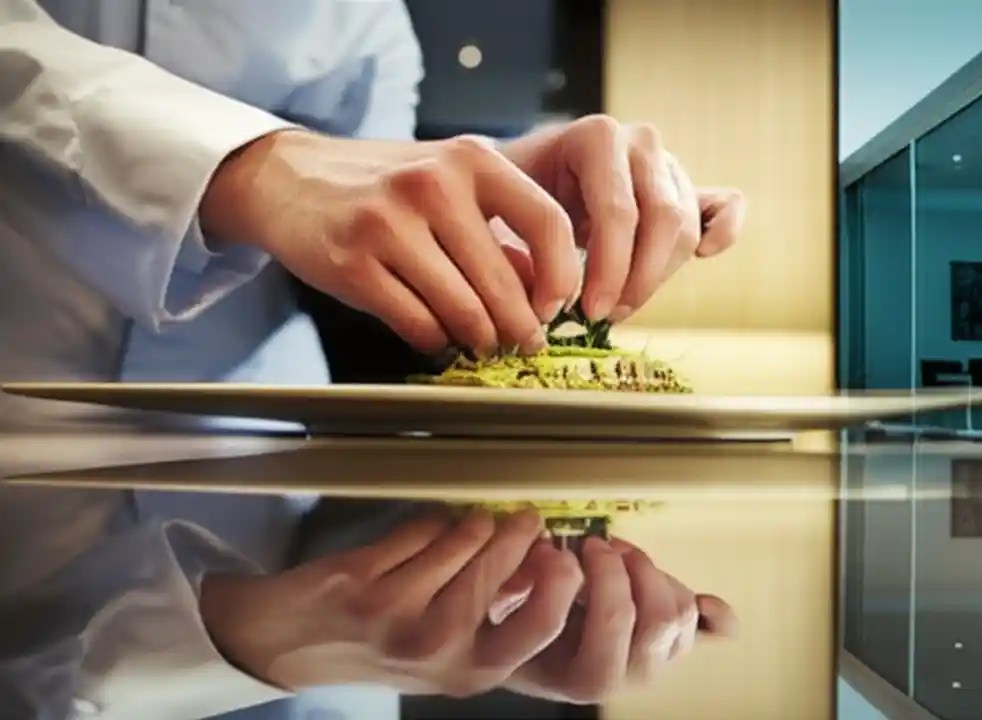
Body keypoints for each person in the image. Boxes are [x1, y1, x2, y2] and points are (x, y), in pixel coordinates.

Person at [0, 1, 746, 718]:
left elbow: (363, 223)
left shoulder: (373, 21)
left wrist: (486, 224)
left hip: (267, 480)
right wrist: (258, 171)